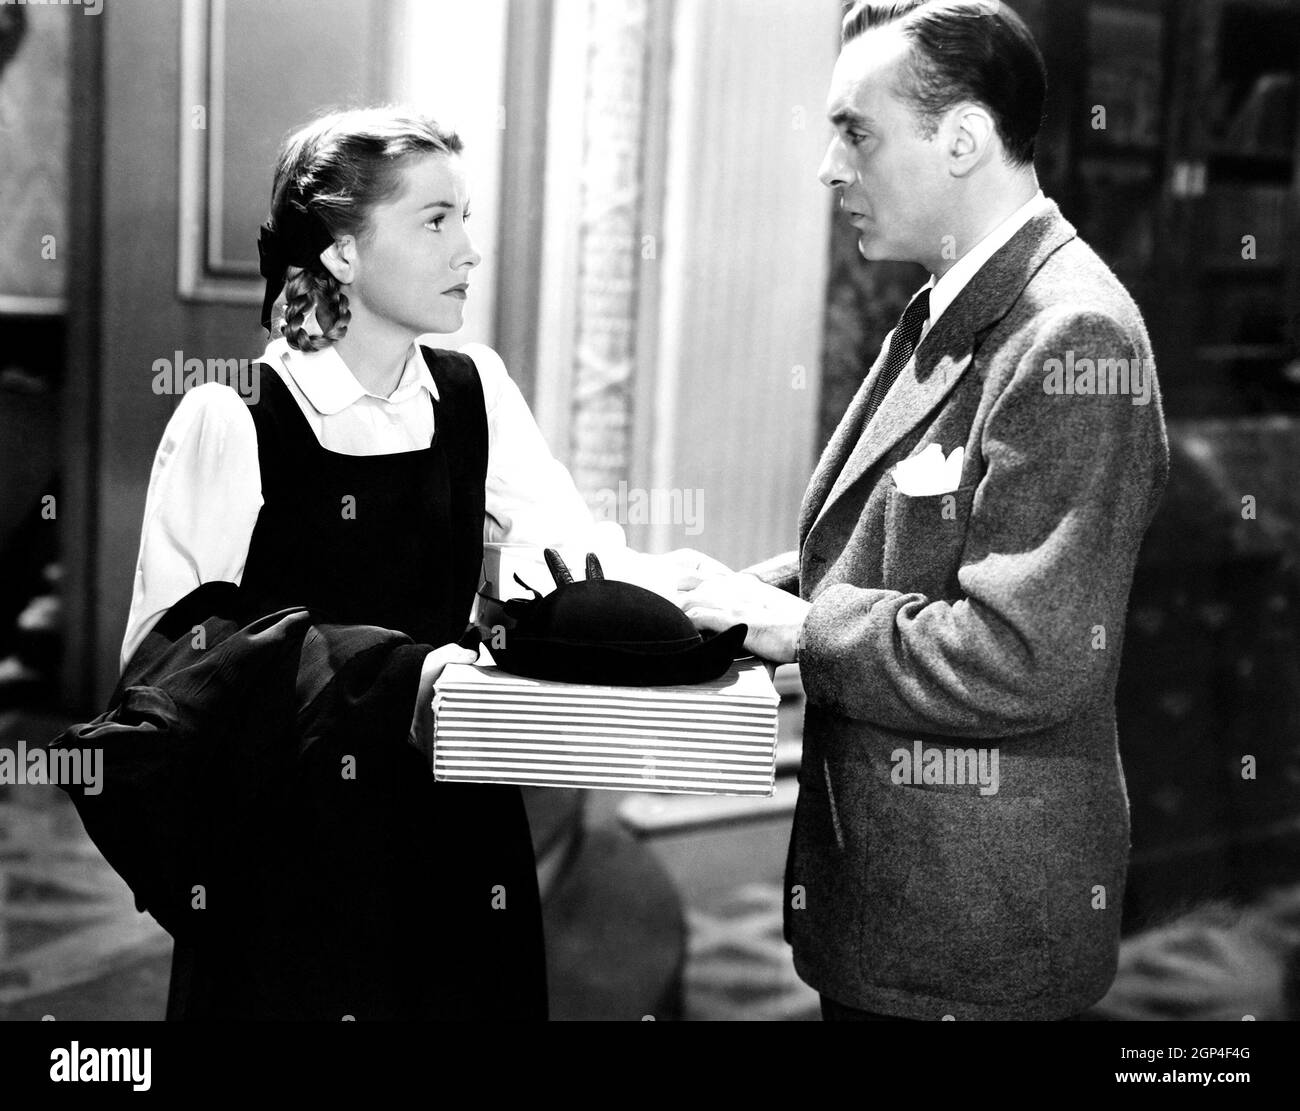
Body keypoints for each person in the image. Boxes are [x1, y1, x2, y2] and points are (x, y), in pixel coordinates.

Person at [677, 0, 1170, 1020]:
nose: (827, 167)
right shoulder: (953, 299)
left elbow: (1022, 651)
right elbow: (898, 555)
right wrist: (738, 593)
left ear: (962, 139)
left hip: (973, 934)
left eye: (854, 131)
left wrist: (802, 628)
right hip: (899, 904)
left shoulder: (1072, 333)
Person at [120, 107, 624, 1019]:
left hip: (459, 827)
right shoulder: (231, 417)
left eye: (465, 217)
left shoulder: (480, 392)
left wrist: (682, 607)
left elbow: (568, 562)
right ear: (342, 252)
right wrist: (390, 676)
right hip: (293, 850)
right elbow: (170, 669)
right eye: (436, 220)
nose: (469, 249)